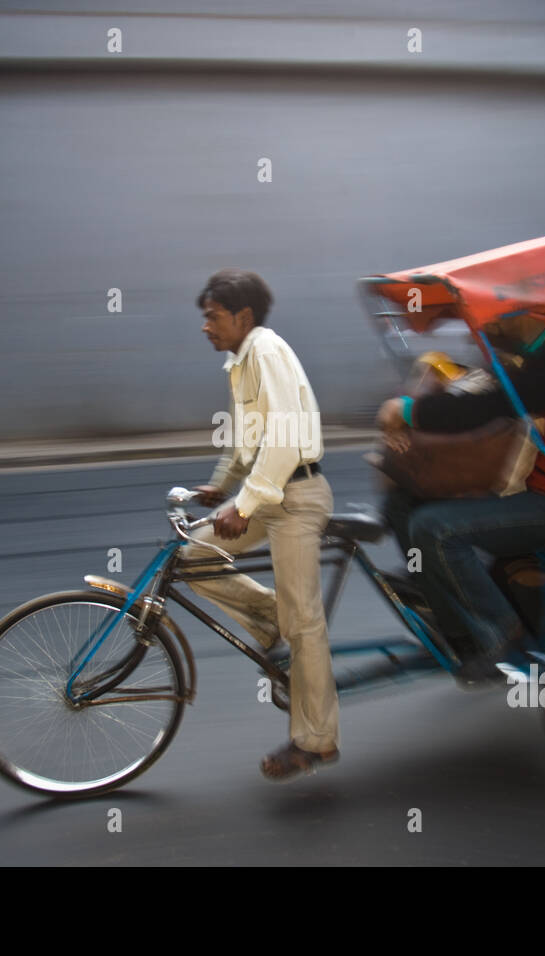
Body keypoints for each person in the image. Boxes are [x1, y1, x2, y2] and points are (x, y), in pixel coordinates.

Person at [377, 311, 545, 684]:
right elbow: (482, 397)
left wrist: (409, 410)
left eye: (491, 321)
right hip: (515, 482)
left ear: (518, 313)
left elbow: (490, 405)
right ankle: (459, 634)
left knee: (435, 529)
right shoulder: (523, 350)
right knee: (402, 503)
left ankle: (504, 640)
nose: (481, 330)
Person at [184, 268, 339, 780]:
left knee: (305, 624)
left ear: (242, 316)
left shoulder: (266, 351)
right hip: (268, 491)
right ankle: (272, 617)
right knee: (194, 556)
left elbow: (286, 438)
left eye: (212, 317)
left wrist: (243, 506)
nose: (205, 327)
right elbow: (247, 436)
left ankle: (316, 742)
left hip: (296, 496)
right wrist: (220, 486)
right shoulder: (241, 361)